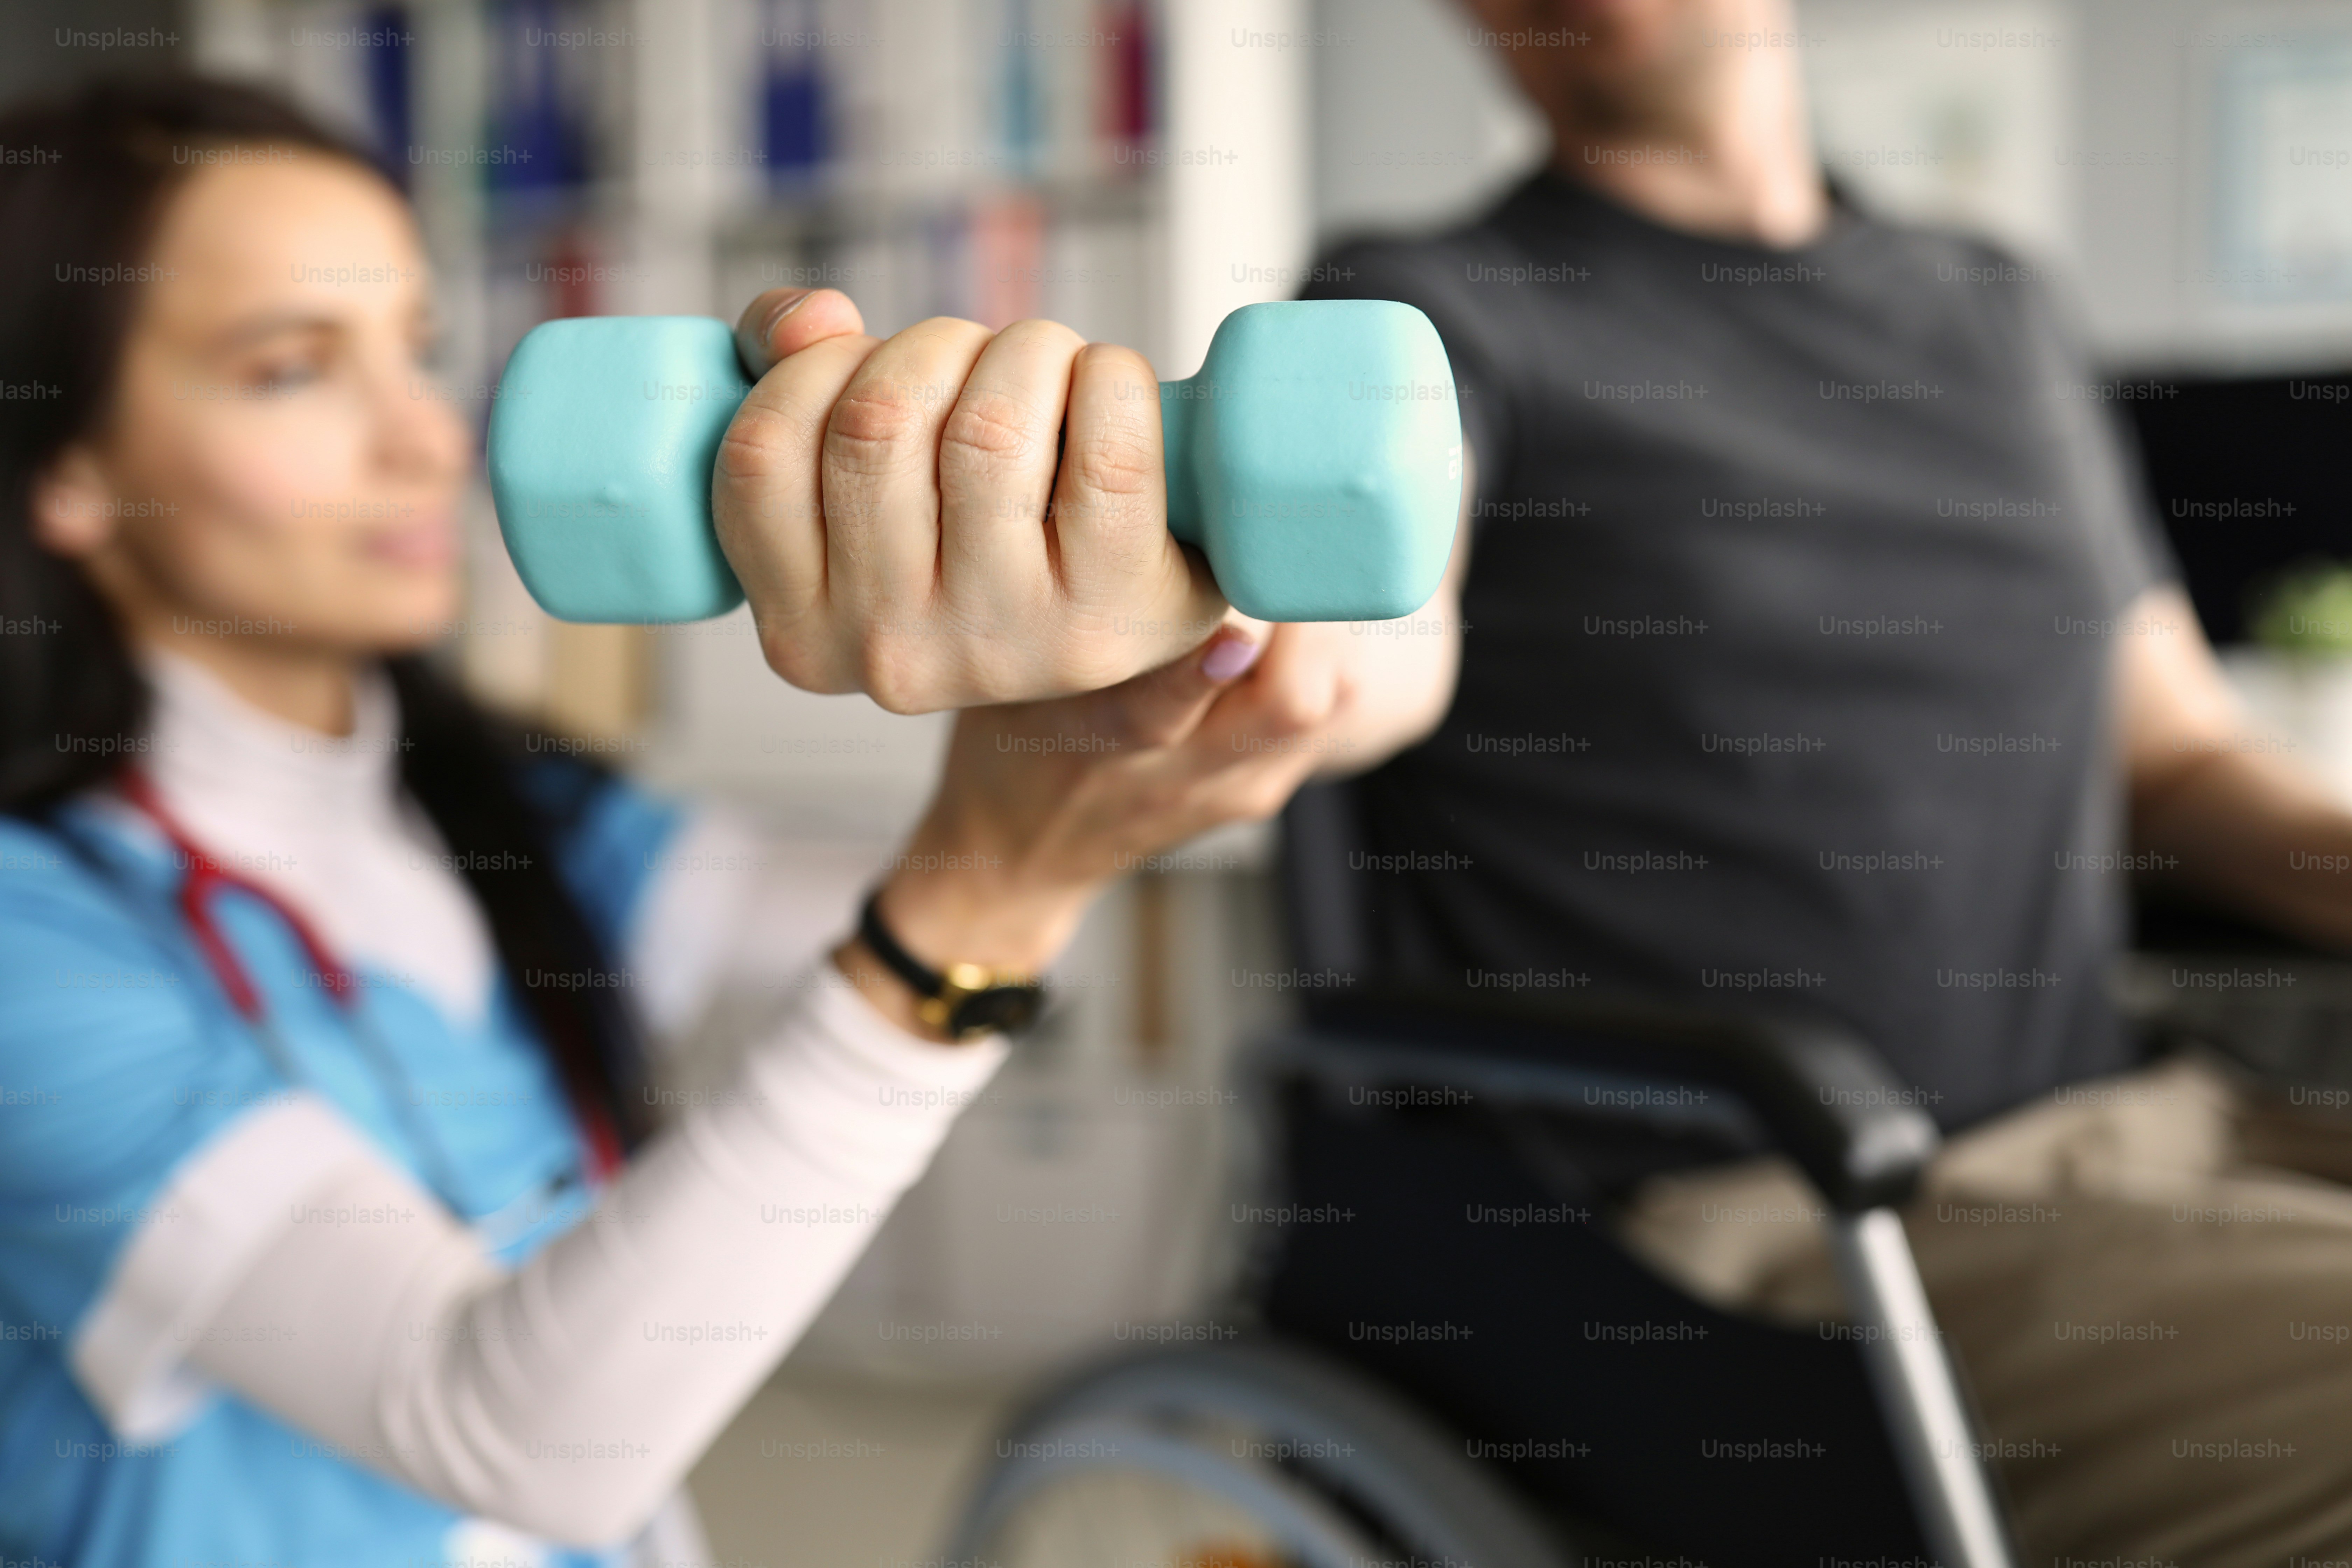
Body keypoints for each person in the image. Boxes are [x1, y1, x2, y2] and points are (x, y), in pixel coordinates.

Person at [0, 77, 1448, 1566]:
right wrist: (980, 900)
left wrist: (1154, 585)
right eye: (293, 368)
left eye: (420, 351)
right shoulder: (27, 941)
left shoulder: (506, 814)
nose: (427, 440)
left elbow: (1073, 914)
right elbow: (510, 1435)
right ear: (71, 470)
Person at [1220, 2, 2352, 1565]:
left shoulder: (1992, 306)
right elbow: (1370, 641)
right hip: (1782, 1216)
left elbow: (2171, 753)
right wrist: (1285, 669)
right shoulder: (1432, 308)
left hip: (2158, 1125)